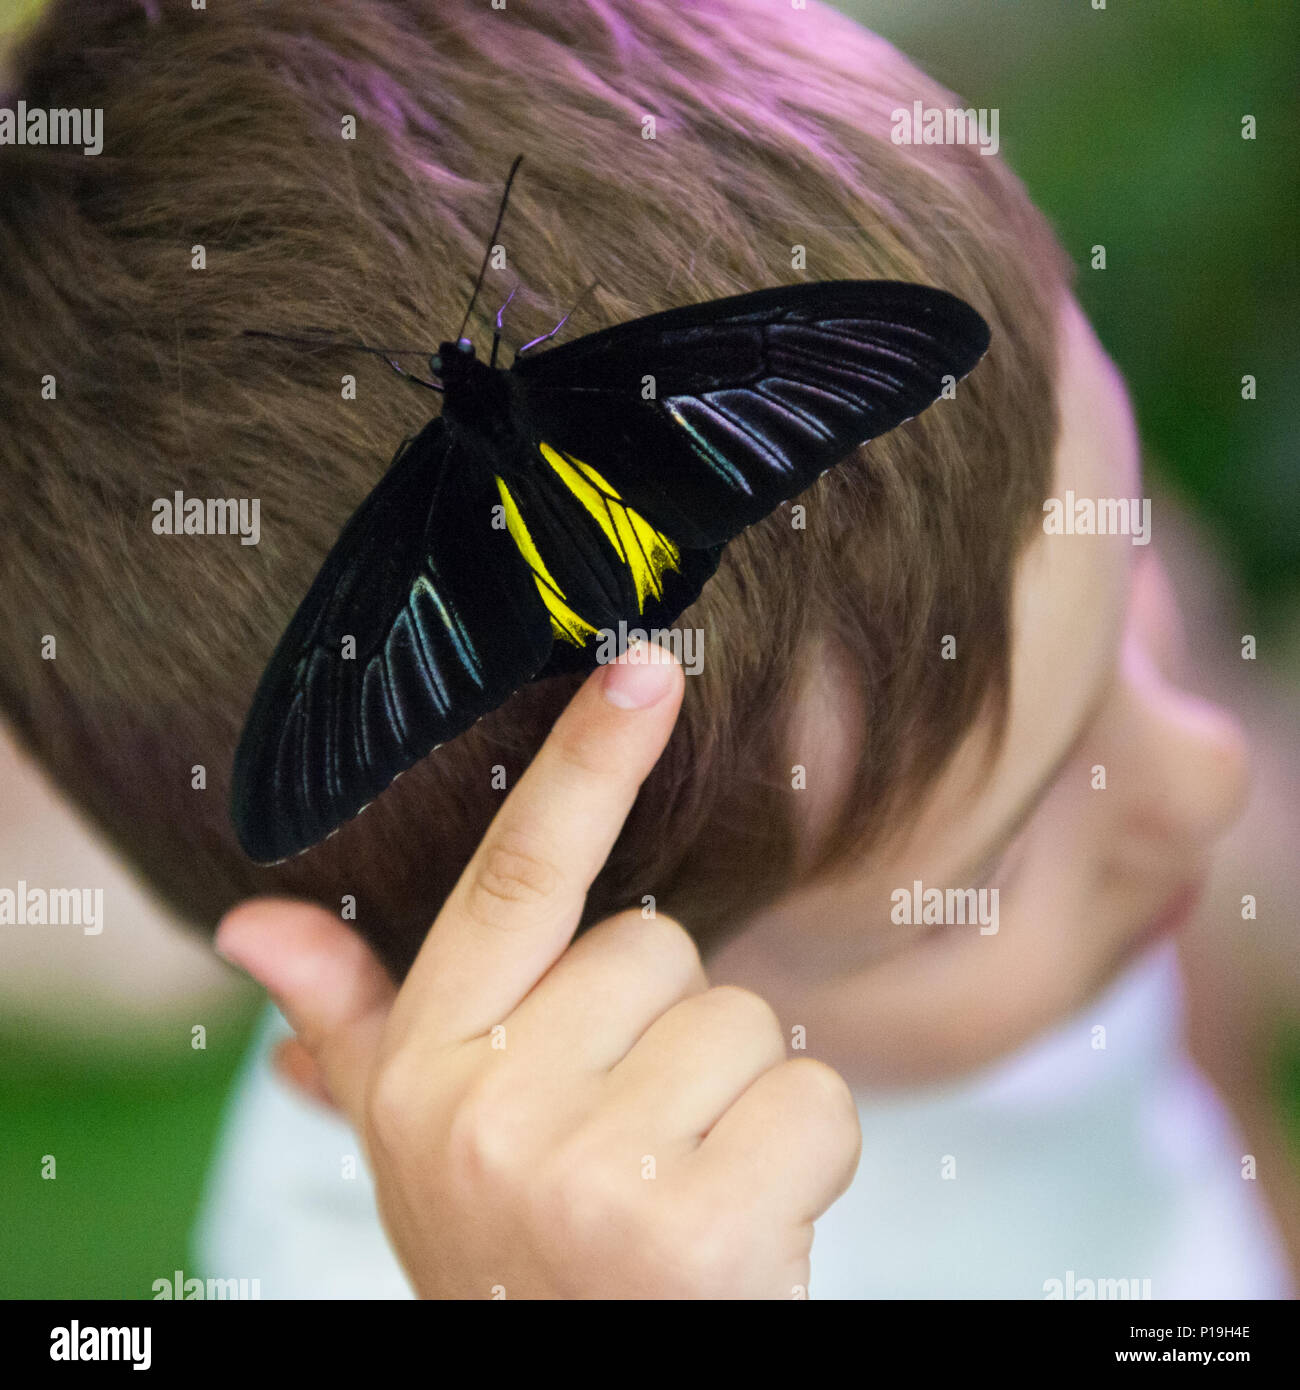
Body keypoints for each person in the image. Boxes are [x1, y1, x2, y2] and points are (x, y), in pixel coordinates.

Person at [0, 0, 1290, 1297]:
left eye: (1132, 590)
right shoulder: (370, 1269)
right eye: (997, 867)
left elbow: (1187, 1152)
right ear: (566, 1013)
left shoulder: (1084, 897)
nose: (1207, 777)